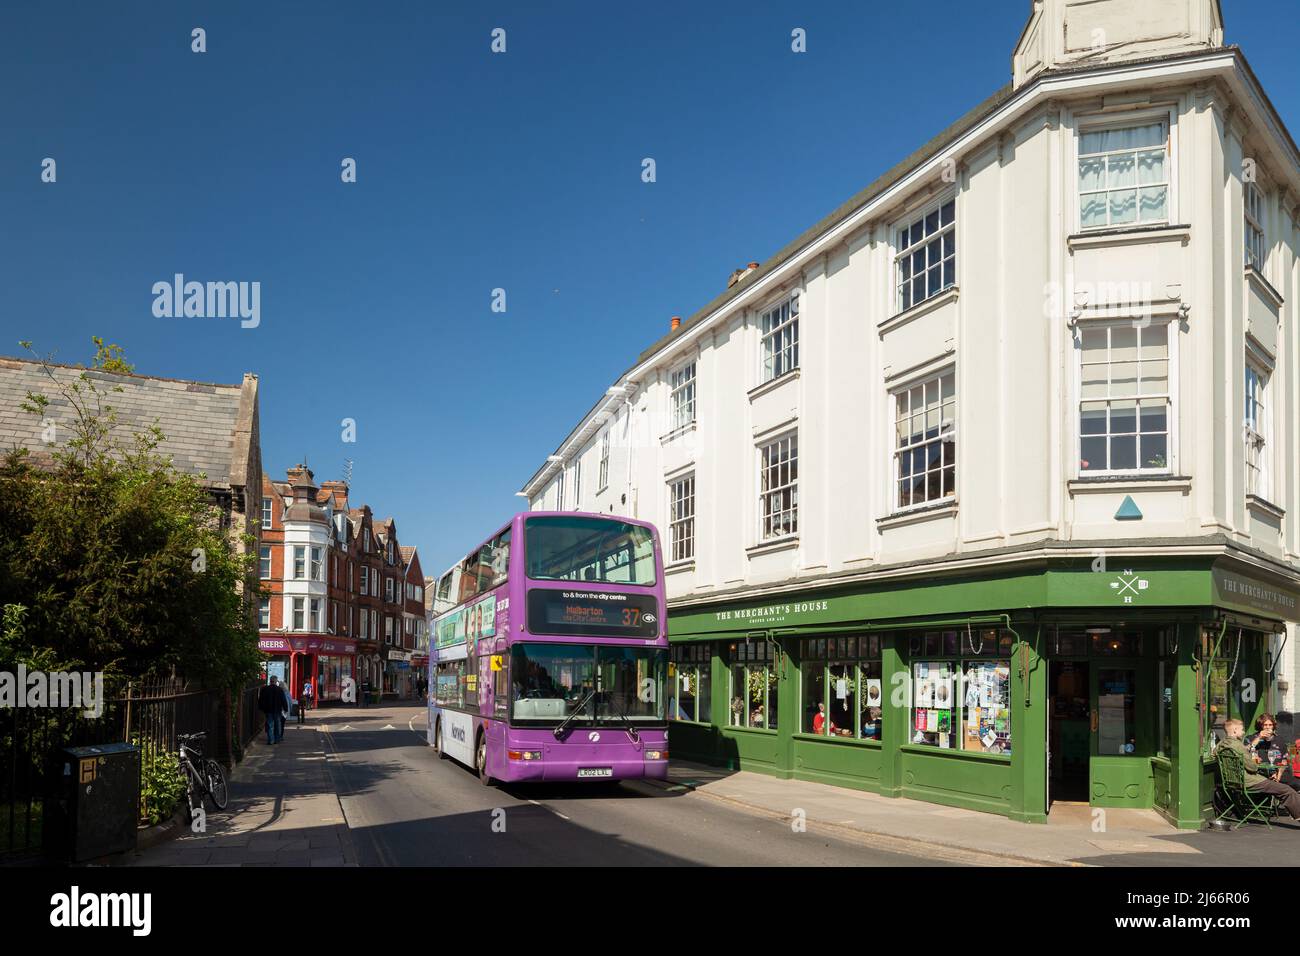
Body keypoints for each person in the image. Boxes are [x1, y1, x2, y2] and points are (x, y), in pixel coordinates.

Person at [1217, 718, 1300, 821]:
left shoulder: (1222, 744)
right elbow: (1252, 767)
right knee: (1287, 790)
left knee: (1277, 786)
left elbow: (1214, 753)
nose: (1243, 732)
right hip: (1249, 781)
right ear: (1234, 730)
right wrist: (1255, 761)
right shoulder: (1238, 745)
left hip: (1232, 780)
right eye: (1242, 730)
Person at [258, 677, 289, 745]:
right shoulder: (279, 689)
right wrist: (285, 708)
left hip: (268, 710)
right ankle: (277, 739)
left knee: (270, 725)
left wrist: (261, 708)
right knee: (278, 725)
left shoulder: (265, 689)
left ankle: (271, 740)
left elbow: (261, 700)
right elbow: (283, 700)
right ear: (275, 681)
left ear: (270, 681)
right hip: (277, 710)